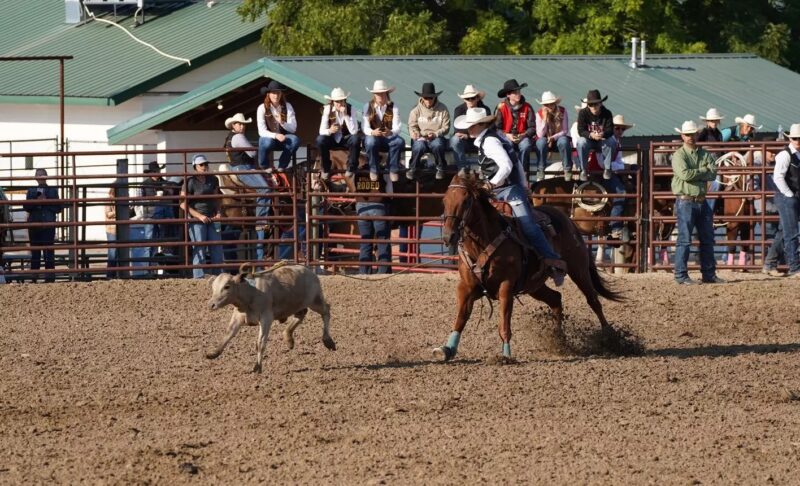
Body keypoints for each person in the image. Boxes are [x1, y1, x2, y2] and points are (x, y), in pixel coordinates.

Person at [454, 108, 566, 285]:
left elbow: (506, 165)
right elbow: (516, 163)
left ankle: (553, 261)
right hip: (502, 189)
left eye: (471, 125)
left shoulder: (490, 141)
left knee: (528, 224)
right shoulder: (490, 139)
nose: (468, 129)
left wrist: (492, 184)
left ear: (480, 125)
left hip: (507, 190)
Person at [671, 121, 725, 285]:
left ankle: (707, 274)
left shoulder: (695, 154)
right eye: (688, 134)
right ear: (683, 136)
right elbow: (686, 174)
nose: (690, 137)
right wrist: (703, 171)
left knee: (706, 238)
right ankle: (682, 275)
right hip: (687, 200)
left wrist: (699, 173)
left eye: (693, 134)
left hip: (699, 200)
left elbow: (713, 173)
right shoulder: (680, 155)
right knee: (685, 239)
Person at [224, 112, 272, 260]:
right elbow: (251, 153)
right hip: (243, 168)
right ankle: (261, 220)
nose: (242, 126)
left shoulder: (230, 138)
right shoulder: (238, 137)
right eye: (239, 124)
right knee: (265, 189)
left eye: (243, 124)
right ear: (234, 125)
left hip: (239, 167)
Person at [181, 154, 224, 279]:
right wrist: (199, 216)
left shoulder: (213, 179)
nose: (205, 167)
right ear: (195, 166)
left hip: (212, 217)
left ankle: (219, 276)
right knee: (199, 248)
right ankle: (199, 277)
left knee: (216, 247)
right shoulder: (189, 181)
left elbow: (217, 198)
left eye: (206, 164)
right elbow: (183, 204)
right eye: (201, 165)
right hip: (196, 219)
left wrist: (218, 212)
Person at [24, 168, 62, 283]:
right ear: (35, 177)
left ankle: (49, 277)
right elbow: (26, 207)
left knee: (48, 252)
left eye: (42, 175)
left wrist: (46, 202)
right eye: (38, 175)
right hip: (35, 225)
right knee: (35, 252)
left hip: (48, 225)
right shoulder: (31, 191)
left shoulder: (53, 191)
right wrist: (36, 202)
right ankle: (34, 277)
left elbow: (58, 208)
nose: (40, 177)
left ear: (46, 177)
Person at [772, 123, 800, 278]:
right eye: (795, 138)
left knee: (785, 231)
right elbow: (778, 177)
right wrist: (789, 194)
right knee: (791, 233)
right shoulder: (785, 155)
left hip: (792, 196)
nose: (798, 141)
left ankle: (770, 262)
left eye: (799, 138)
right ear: (791, 138)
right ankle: (795, 267)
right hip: (787, 196)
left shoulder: (793, 154)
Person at [407, 82, 451, 181]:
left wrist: (435, 134)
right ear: (422, 98)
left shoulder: (443, 109)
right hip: (421, 137)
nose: (428, 100)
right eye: (426, 98)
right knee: (419, 146)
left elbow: (446, 127)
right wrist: (415, 133)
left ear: (435, 97)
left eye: (430, 98)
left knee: (438, 145)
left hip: (436, 137)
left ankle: (440, 167)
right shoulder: (415, 110)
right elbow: (411, 125)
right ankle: (413, 168)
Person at [315, 87, 361, 180]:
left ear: (345, 100)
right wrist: (330, 130)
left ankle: (351, 168)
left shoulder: (351, 109)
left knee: (356, 138)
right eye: (337, 101)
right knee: (320, 139)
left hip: (345, 138)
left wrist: (345, 116)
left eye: (341, 101)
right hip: (332, 139)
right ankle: (326, 168)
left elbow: (354, 131)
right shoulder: (327, 109)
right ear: (332, 102)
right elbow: (321, 131)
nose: (339, 104)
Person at [363, 80, 404, 182]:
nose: (380, 96)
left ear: (387, 94)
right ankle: (373, 169)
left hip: (388, 138)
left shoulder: (394, 107)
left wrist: (390, 132)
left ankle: (392, 168)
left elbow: (398, 127)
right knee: (370, 141)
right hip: (374, 138)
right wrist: (373, 132)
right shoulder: (367, 106)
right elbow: (365, 127)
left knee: (399, 141)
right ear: (374, 95)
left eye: (382, 93)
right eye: (378, 94)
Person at [494, 79, 535, 180]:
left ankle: (522, 170)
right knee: (507, 145)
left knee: (525, 146)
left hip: (523, 135)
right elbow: (496, 128)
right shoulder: (501, 107)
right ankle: (510, 170)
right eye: (515, 92)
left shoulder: (527, 107)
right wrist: (507, 135)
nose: (518, 94)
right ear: (508, 95)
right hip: (507, 135)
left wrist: (523, 135)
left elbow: (532, 127)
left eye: (519, 92)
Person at [352, 169, 392, 274]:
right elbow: (390, 192)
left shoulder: (358, 170)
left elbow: (352, 187)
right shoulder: (382, 170)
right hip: (378, 206)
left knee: (365, 241)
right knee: (382, 241)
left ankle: (364, 271)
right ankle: (383, 272)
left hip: (361, 207)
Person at [603, 115, 635, 239]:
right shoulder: (608, 141)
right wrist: (624, 167)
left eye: (622, 129)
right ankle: (615, 226)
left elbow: (617, 161)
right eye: (617, 128)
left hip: (611, 171)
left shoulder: (616, 141)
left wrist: (625, 166)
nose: (620, 131)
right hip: (603, 173)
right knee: (621, 192)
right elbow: (605, 164)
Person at [256, 80, 300, 172]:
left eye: (278, 93)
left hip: (283, 140)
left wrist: (282, 122)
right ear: (268, 94)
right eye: (273, 93)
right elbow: (261, 131)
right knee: (266, 142)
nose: (276, 96)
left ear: (281, 94)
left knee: (295, 140)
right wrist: (275, 135)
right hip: (269, 139)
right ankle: (264, 166)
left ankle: (282, 166)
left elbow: (293, 128)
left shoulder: (288, 106)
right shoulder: (262, 108)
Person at [576, 90, 615, 182]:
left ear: (600, 103)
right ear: (588, 105)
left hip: (602, 141)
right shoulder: (583, 113)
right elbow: (580, 130)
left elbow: (610, 130)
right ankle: (583, 170)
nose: (593, 107)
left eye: (595, 104)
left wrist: (603, 134)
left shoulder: (607, 113)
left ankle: (607, 169)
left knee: (612, 141)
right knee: (580, 142)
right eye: (590, 105)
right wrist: (590, 135)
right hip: (588, 141)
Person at [450, 85, 490, 173]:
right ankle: (462, 168)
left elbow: (488, 129)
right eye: (468, 99)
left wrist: (467, 135)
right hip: (465, 141)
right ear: (464, 100)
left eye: (473, 98)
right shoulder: (459, 110)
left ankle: (484, 168)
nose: (470, 100)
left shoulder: (485, 110)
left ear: (478, 98)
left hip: (480, 141)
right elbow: (457, 130)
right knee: (454, 140)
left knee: (488, 138)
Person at [534, 91, 572, 180]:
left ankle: (567, 169)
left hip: (558, 138)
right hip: (545, 139)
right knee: (540, 142)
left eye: (552, 104)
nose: (550, 106)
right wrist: (544, 119)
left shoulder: (563, 111)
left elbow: (565, 130)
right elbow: (540, 134)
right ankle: (540, 169)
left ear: (555, 103)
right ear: (543, 105)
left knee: (564, 141)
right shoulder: (539, 114)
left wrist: (553, 137)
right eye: (547, 104)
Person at [105, 184, 119, 279]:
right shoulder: (109, 200)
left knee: (115, 252)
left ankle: (114, 274)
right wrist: (119, 211)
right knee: (113, 252)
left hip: (115, 228)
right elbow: (108, 213)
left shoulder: (115, 200)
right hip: (112, 229)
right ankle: (111, 274)